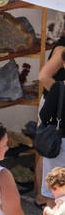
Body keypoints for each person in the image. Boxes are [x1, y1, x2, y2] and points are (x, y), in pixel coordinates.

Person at [37, 36, 65, 202]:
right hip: (56, 108)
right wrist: (60, 94)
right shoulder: (62, 49)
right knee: (48, 150)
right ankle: (43, 197)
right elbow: (43, 77)